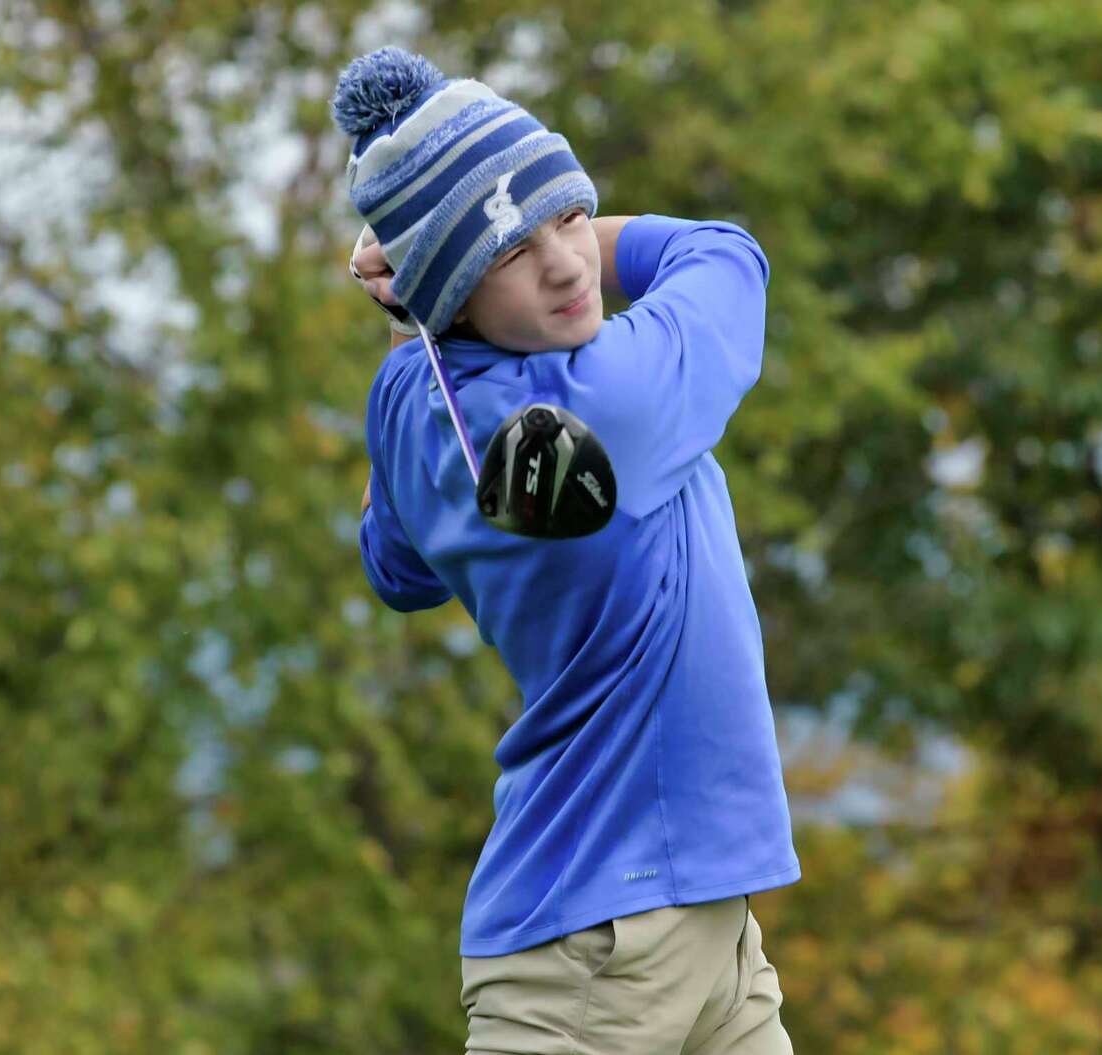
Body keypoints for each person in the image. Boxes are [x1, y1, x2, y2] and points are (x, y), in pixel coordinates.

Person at [334, 46, 800, 1054]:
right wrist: (587, 227)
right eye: (510, 251)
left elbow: (398, 571)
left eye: (570, 214)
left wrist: (435, 287)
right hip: (592, 953)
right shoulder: (611, 405)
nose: (566, 263)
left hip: (703, 927)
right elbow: (725, 255)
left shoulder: (409, 398)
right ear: (447, 286)